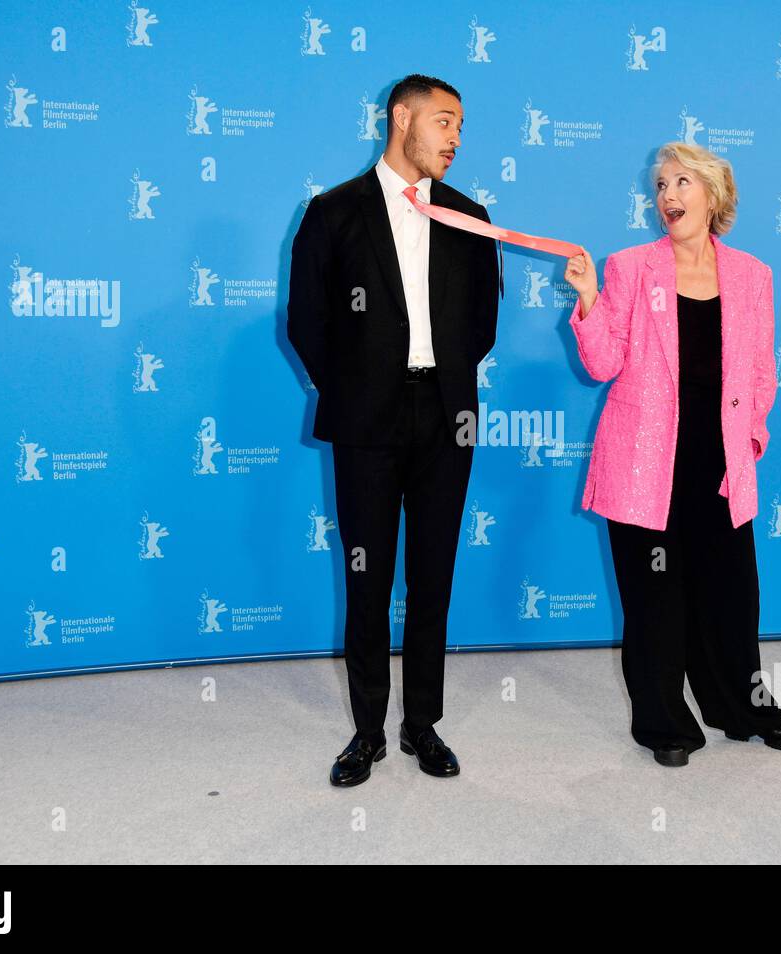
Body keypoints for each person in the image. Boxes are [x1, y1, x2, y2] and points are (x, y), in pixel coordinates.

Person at [563, 141, 781, 767]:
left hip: (721, 462)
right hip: (647, 464)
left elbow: (759, 374)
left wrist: (749, 440)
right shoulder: (628, 267)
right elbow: (602, 364)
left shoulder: (754, 275)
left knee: (732, 594)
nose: (668, 196)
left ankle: (742, 707)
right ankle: (663, 720)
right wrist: (590, 298)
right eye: (660, 187)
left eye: (681, 183)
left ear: (712, 193)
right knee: (655, 598)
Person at [286, 74, 500, 786]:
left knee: (433, 576)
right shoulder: (333, 212)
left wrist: (444, 382)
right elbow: (308, 322)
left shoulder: (471, 217)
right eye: (444, 122)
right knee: (368, 579)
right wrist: (356, 388)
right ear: (400, 118)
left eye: (461, 127)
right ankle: (368, 732)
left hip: (447, 419)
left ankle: (423, 726)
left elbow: (482, 325)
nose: (455, 140)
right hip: (367, 424)